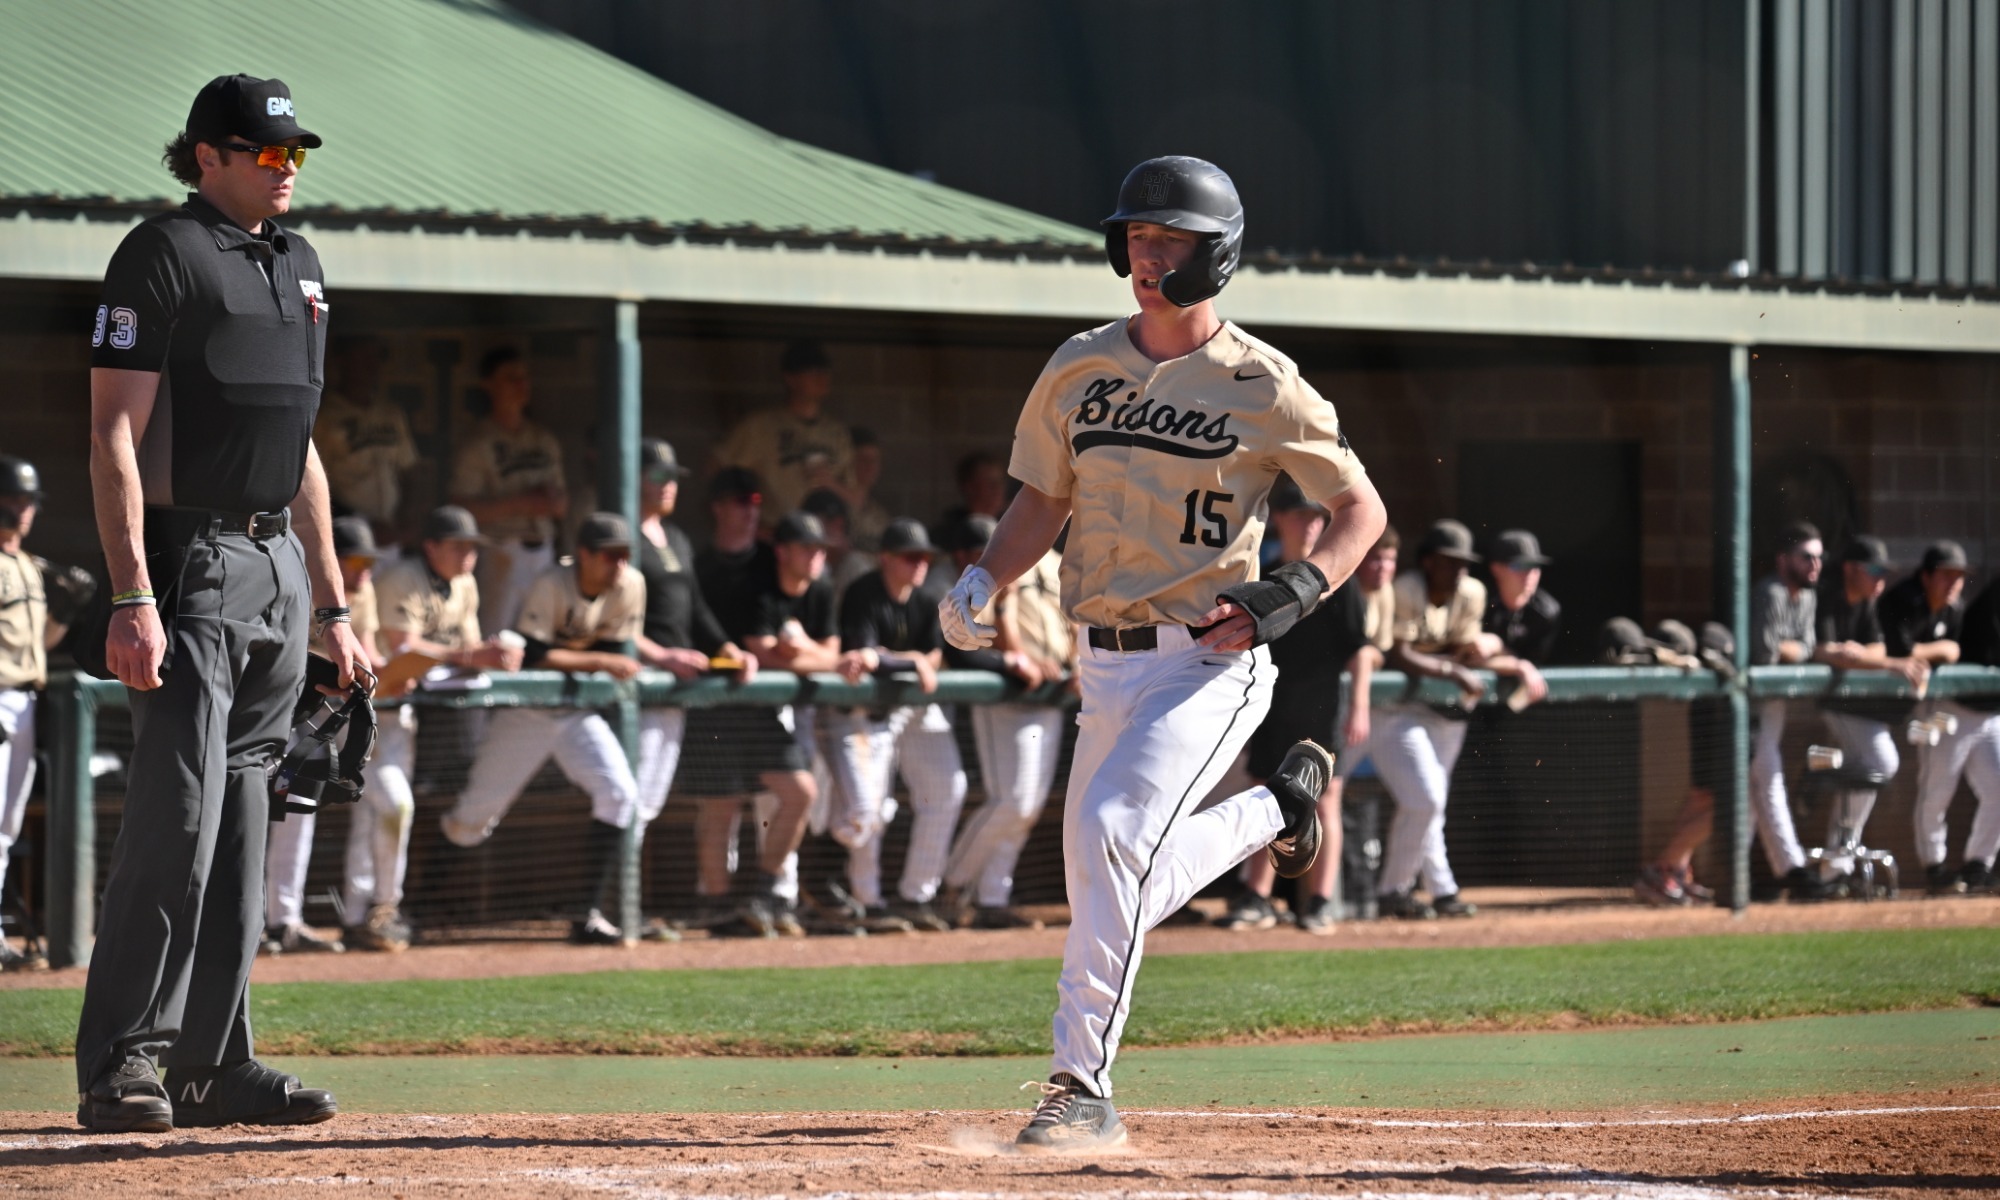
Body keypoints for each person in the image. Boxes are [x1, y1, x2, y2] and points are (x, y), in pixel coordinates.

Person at [940, 156, 1385, 1150]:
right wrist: (985, 577)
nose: (1147, 256)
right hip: (1098, 664)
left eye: (1170, 240)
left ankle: (1081, 1087)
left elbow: (1360, 508)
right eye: (1137, 237)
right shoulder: (1078, 364)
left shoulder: (1264, 383)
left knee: (1111, 839)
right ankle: (1277, 808)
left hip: (1205, 658)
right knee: (1103, 876)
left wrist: (1298, 587)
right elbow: (1042, 497)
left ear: (1214, 255)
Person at [78, 74, 360, 1132]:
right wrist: (132, 592)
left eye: (296, 153)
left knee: (246, 822)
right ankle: (122, 1061)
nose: (287, 169)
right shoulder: (160, 253)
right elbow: (111, 431)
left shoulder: (301, 262)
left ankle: (210, 1064)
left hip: (277, 563)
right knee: (179, 816)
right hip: (189, 559)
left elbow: (301, 443)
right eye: (268, 152)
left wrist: (333, 605)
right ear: (209, 155)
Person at [435, 513, 643, 945]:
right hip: (526, 713)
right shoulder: (551, 583)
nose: (619, 565)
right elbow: (535, 654)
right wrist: (599, 661)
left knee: (620, 794)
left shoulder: (630, 585)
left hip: (575, 713)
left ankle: (586, 912)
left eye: (624, 555)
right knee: (470, 820)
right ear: (584, 555)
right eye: (609, 556)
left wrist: (598, 659)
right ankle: (423, 903)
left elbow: (614, 646)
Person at [346, 505, 521, 952]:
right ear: (431, 547)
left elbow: (465, 646)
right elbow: (403, 647)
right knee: (393, 805)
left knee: (375, 813)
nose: (469, 555)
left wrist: (489, 655)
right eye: (458, 546)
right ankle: (382, 906)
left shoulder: (465, 584)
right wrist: (470, 656)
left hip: (402, 713)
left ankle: (358, 913)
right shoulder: (400, 577)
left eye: (473, 547)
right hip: (363, 708)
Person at [1216, 478, 1365, 935]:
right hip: (1271, 704)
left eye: (1318, 517)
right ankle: (1257, 897)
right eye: (1302, 515)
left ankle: (1319, 903)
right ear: (1279, 519)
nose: (1312, 525)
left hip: (1322, 707)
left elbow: (1360, 649)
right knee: (1265, 793)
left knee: (1326, 799)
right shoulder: (1263, 576)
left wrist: (1360, 706)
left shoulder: (1337, 580)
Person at [628, 438, 759, 931]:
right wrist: (660, 655)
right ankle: (620, 905)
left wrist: (727, 647)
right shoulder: (623, 537)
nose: (668, 486)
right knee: (631, 799)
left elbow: (695, 608)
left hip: (675, 690)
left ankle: (622, 905)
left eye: (673, 478)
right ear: (634, 478)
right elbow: (614, 621)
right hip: (641, 684)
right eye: (658, 476)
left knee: (647, 800)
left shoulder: (676, 539)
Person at [683, 511, 829, 936]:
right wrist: (813, 657)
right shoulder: (756, 583)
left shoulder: (818, 589)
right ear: (782, 551)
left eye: (819, 549)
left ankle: (763, 895)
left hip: (757, 709)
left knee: (800, 792)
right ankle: (717, 907)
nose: (814, 556)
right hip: (717, 701)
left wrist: (808, 653)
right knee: (721, 806)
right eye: (805, 548)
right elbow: (762, 651)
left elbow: (833, 651)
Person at [824, 519, 968, 932]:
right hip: (863, 710)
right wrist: (911, 660)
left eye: (924, 558)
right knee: (870, 809)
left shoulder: (926, 599)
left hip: (911, 708)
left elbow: (934, 657)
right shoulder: (864, 592)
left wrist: (906, 659)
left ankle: (917, 895)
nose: (919, 564)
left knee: (948, 788)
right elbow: (864, 655)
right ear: (885, 558)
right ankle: (864, 897)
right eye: (910, 557)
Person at [941, 512, 1074, 930]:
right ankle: (950, 884)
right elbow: (981, 632)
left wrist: (1078, 664)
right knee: (1011, 801)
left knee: (1027, 807)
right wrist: (1023, 657)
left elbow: (1076, 618)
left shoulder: (1057, 562)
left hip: (1053, 692)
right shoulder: (1003, 559)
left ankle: (992, 897)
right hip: (1008, 693)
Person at [260, 517, 382, 955]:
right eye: (355, 562)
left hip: (309, 717)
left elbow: (367, 653)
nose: (362, 573)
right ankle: (237, 920)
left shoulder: (361, 594)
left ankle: (284, 921)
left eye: (368, 563)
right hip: (262, 709)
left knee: (296, 811)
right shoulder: (292, 579)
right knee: (241, 809)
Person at [1373, 519, 1490, 920]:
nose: (1458, 570)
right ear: (1428, 562)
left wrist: (1455, 661)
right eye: (1449, 561)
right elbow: (1399, 653)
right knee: (1426, 798)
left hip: (1444, 712)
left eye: (1463, 563)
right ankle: (1398, 889)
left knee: (1430, 802)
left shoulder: (1472, 592)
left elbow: (1466, 649)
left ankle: (1436, 890)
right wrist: (1449, 669)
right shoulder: (1405, 588)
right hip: (1395, 708)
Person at [1809, 535, 1930, 883]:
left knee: (1876, 765)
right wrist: (1882, 662)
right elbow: (1827, 652)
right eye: (1874, 571)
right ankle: (1838, 858)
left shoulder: (1867, 602)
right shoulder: (1828, 596)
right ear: (1850, 569)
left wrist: (1862, 655)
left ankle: (1839, 859)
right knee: (1881, 761)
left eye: (1884, 572)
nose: (1881, 579)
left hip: (1857, 704)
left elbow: (1874, 651)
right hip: (1830, 701)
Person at [450, 345, 567, 637]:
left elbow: (562, 504)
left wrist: (549, 501)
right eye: (511, 378)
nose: (521, 385)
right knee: (496, 638)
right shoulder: (478, 442)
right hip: (500, 551)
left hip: (544, 548)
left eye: (524, 378)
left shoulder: (543, 439)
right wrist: (523, 502)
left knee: (542, 639)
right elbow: (461, 509)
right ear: (488, 384)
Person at [1634, 621, 1737, 906]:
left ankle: (1674, 869)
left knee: (1704, 797)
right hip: (1718, 712)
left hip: (1718, 709)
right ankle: (1663, 868)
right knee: (1732, 802)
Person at [0, 457, 55, 972]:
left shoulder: (29, 565)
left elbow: (40, 646)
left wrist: (66, 614)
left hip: (25, 699)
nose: (22, 510)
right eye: (13, 499)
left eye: (28, 501)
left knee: (7, 825)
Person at [713, 338, 854, 532]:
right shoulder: (760, 427)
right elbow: (716, 470)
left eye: (825, 371)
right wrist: (752, 526)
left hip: (822, 539)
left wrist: (830, 483)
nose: (822, 377)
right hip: (774, 534)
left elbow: (856, 498)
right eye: (813, 371)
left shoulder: (837, 433)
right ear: (790, 378)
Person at [311, 335, 417, 549]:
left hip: (391, 533)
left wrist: (408, 517)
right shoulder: (323, 417)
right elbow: (312, 482)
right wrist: (358, 520)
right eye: (363, 356)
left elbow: (410, 470)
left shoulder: (391, 413)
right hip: (345, 535)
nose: (371, 365)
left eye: (376, 357)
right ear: (342, 360)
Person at [1933, 572, 2000, 894]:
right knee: (1937, 791)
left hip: (1990, 714)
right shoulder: (1988, 605)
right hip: (1952, 708)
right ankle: (1933, 866)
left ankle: (1978, 865)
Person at [932, 450, 1008, 544]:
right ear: (970, 487)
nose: (997, 489)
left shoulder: (1012, 528)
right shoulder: (948, 534)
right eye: (990, 483)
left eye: (1000, 482)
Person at [840, 426, 891, 552]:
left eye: (875, 460)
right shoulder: (835, 507)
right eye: (863, 460)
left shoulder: (879, 515)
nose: (870, 466)